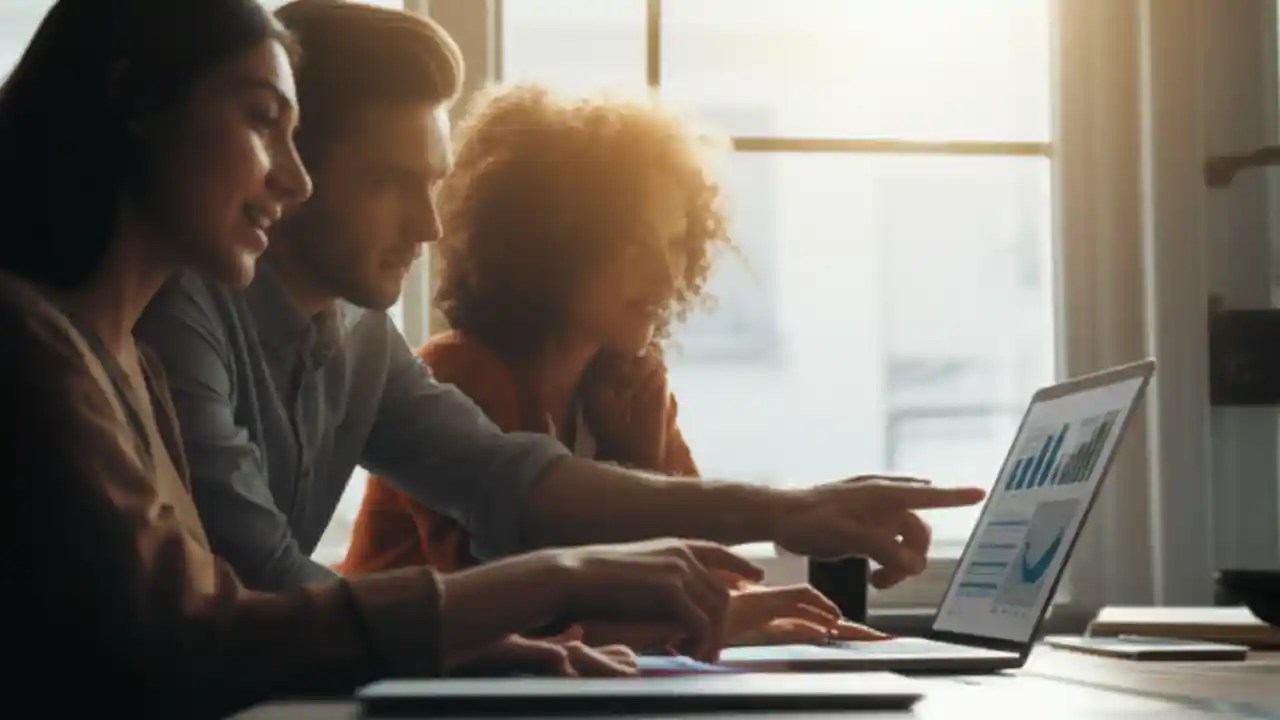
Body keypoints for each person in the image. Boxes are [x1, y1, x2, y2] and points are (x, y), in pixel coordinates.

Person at [0, 0, 769, 713]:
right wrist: (553, 579)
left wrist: (783, 513)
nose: (289, 178)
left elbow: (497, 473)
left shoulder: (140, 365)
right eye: (264, 121)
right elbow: (207, 631)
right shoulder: (42, 346)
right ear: (135, 104)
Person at [137, 0, 984, 610]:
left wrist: (788, 509)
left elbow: (509, 477)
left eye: (432, 185)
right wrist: (493, 634)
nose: (429, 225)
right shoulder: (178, 310)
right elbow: (260, 580)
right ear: (290, 168)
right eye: (390, 184)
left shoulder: (359, 337)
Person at [343, 84, 889, 648]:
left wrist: (776, 620)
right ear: (550, 241)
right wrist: (718, 621)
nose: (665, 276)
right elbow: (501, 609)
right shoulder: (459, 374)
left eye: (677, 241)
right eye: (632, 241)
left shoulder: (635, 387)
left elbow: (698, 571)